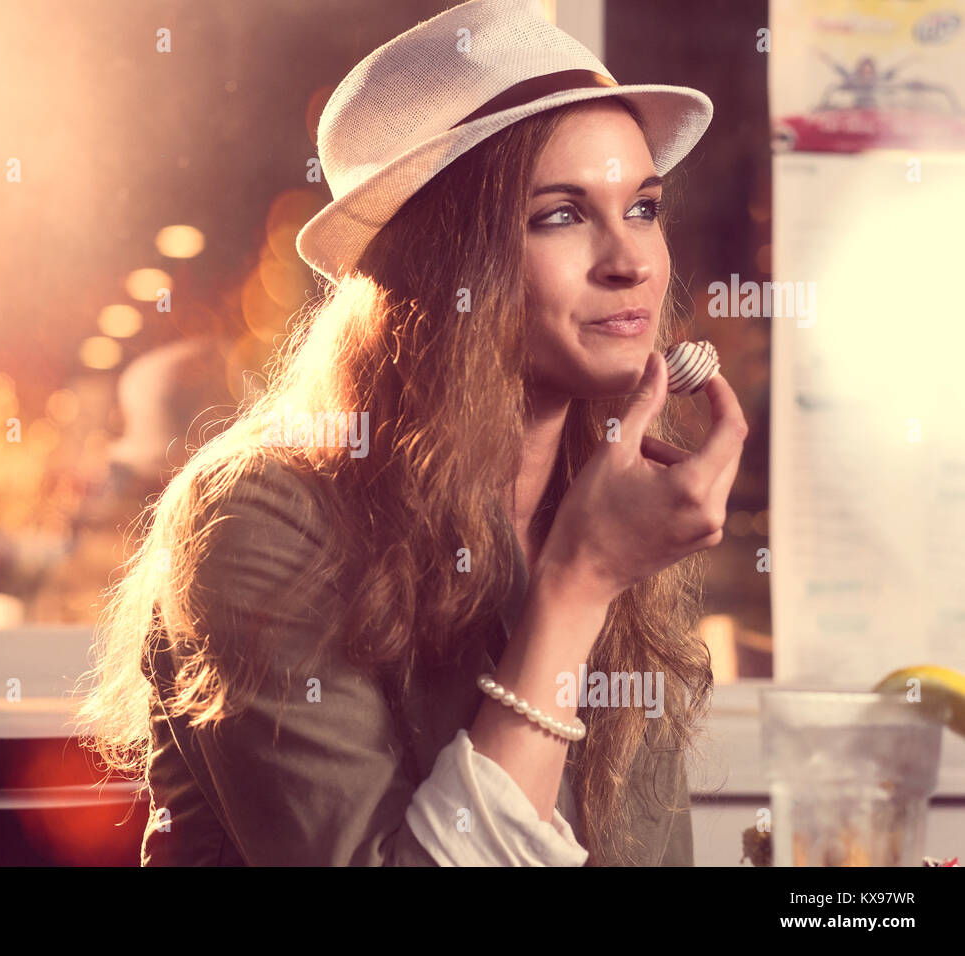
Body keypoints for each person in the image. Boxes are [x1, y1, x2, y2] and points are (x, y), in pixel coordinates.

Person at [73, 0, 747, 866]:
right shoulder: (260, 519)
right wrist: (579, 585)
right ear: (440, 264)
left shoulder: (604, 503)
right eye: (561, 215)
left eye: (644, 207)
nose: (634, 260)